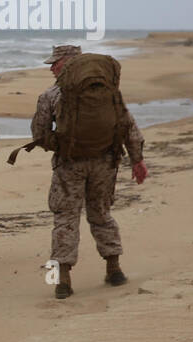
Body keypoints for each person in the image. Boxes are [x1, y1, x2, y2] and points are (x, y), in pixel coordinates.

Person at [30, 45, 148, 298]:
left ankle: (63, 279)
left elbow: (39, 134)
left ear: (68, 62)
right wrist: (137, 160)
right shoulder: (109, 92)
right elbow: (128, 125)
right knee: (101, 214)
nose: (51, 68)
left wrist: (59, 144)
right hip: (105, 162)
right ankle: (114, 268)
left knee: (65, 217)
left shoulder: (51, 95)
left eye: (55, 63)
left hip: (69, 165)